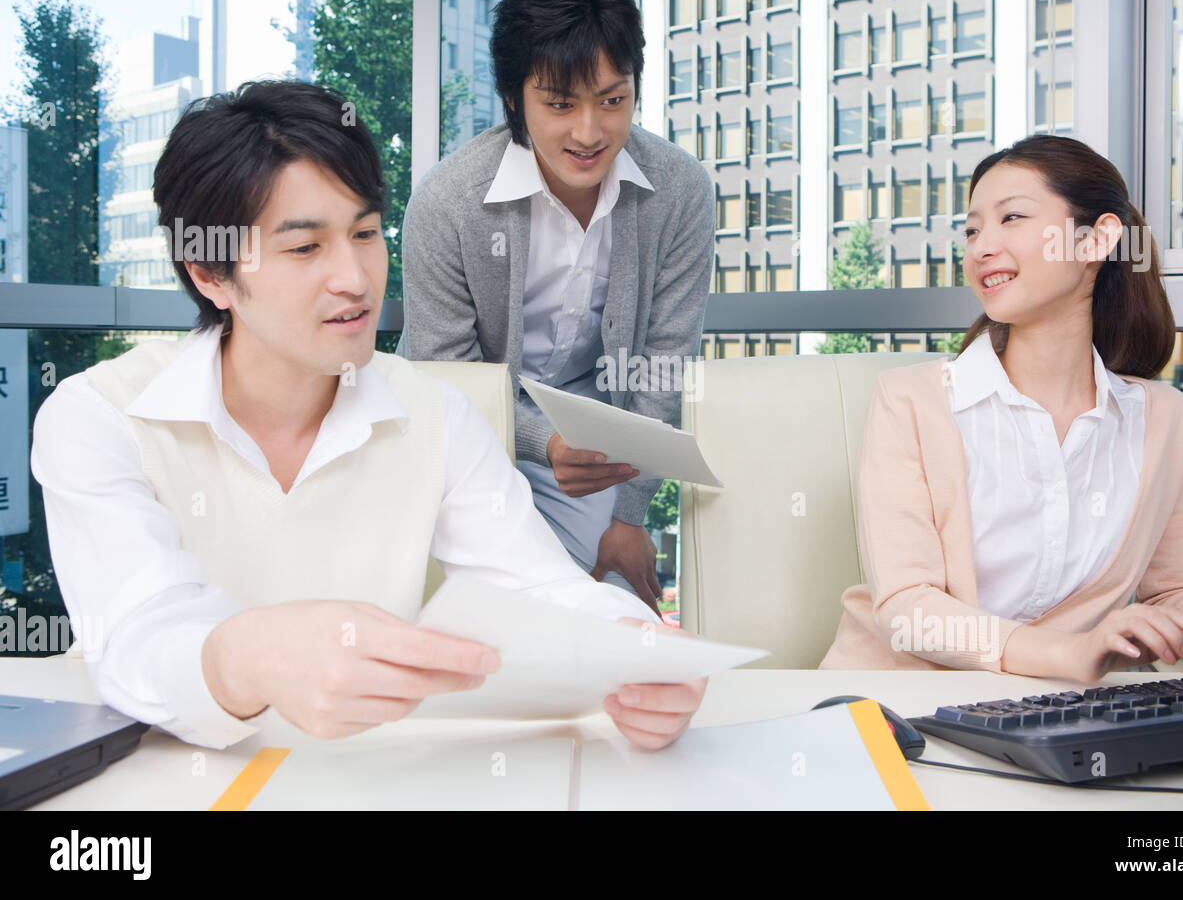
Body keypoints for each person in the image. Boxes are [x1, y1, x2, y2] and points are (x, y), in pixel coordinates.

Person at [30, 79, 705, 751]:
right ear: (209, 274)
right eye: (304, 248)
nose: (355, 278)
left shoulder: (436, 414)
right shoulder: (101, 419)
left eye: (365, 233)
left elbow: (540, 588)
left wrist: (636, 651)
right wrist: (250, 655)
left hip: (372, 778)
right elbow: (136, 633)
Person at [820, 134, 1183, 677]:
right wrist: (1070, 653)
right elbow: (908, 607)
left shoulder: (1165, 419)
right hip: (899, 704)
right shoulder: (911, 400)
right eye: (973, 229)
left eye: (1012, 218)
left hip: (1050, 712)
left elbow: (1168, 597)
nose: (981, 247)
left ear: (1097, 241)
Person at [396, 0, 715, 616]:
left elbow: (663, 364)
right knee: (498, 623)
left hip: (598, 455)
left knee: (620, 622)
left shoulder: (680, 192)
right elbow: (445, 378)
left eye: (613, 99)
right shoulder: (449, 203)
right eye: (560, 103)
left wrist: (630, 516)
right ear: (514, 97)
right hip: (467, 436)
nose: (589, 132)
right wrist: (543, 443)